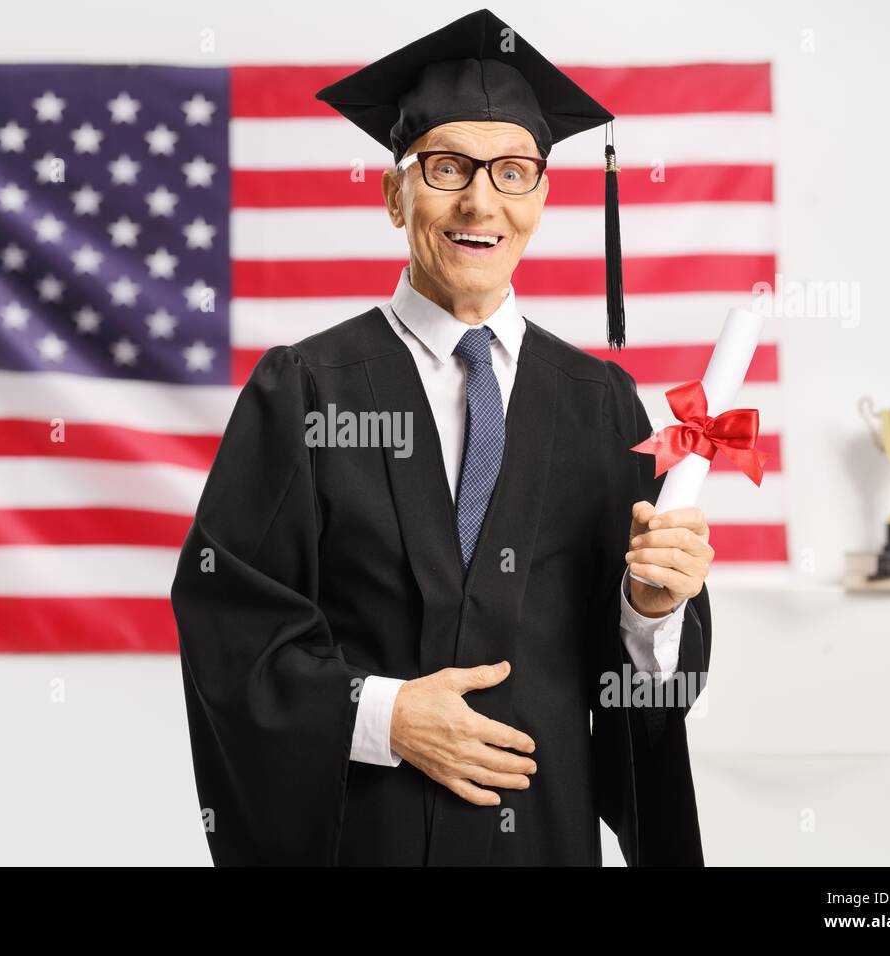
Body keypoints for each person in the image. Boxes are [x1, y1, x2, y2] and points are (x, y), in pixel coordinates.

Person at [171, 8, 714, 866]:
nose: (479, 201)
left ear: (542, 195)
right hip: (366, 840)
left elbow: (643, 693)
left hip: (543, 840)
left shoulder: (600, 403)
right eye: (448, 166)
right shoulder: (305, 389)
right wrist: (384, 716)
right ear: (396, 194)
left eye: (512, 172)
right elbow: (230, 629)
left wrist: (652, 608)